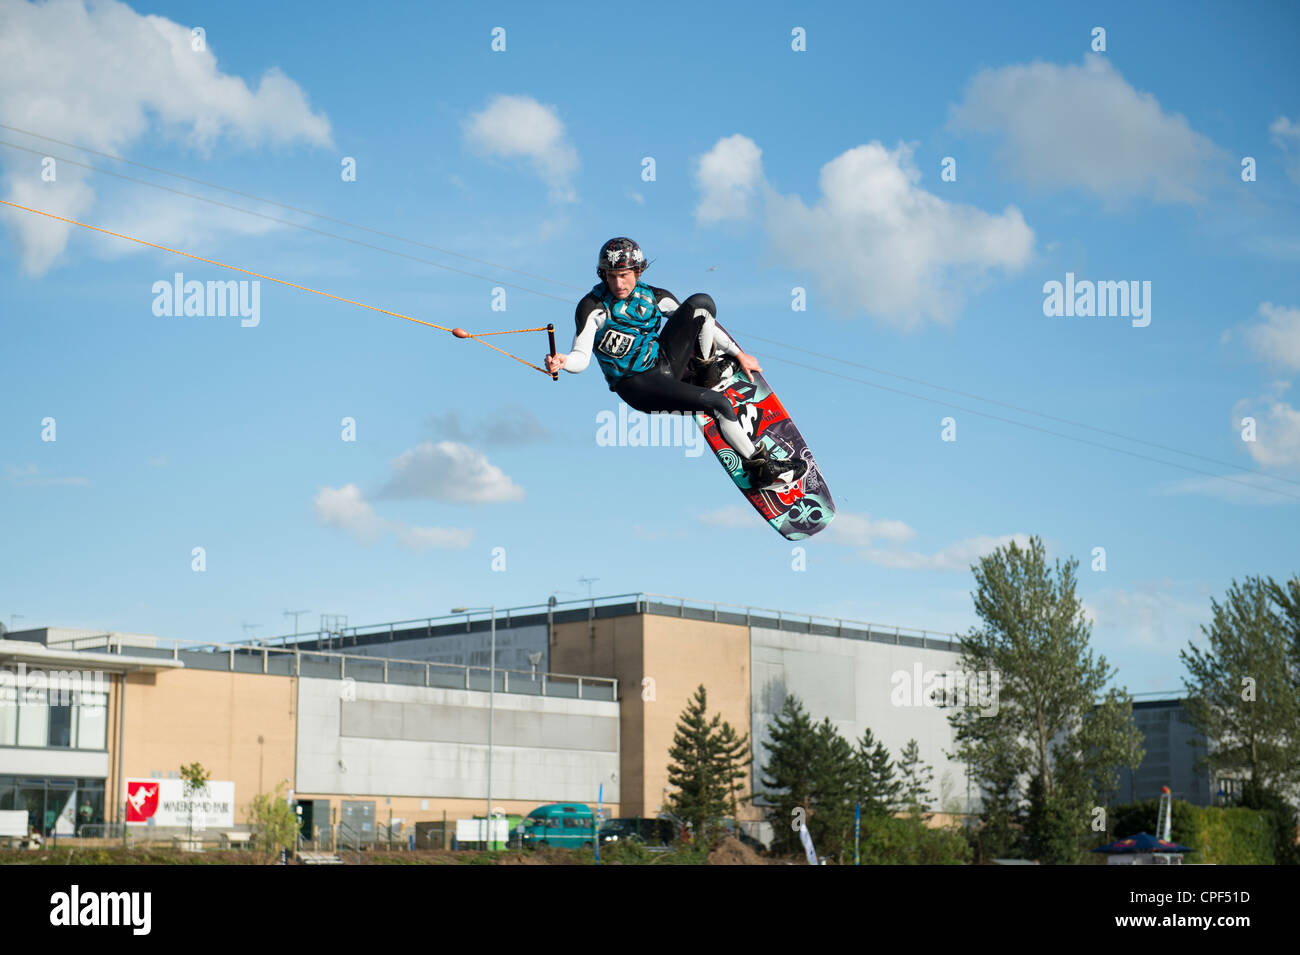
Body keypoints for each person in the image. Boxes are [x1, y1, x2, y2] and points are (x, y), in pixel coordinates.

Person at [546, 237, 807, 489]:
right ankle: (761, 469)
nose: (618, 283)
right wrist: (563, 361)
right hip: (639, 386)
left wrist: (738, 354)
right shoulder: (592, 307)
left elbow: (702, 320)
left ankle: (707, 373)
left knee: (701, 303)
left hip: (665, 363)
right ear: (603, 275)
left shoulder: (653, 296)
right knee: (719, 404)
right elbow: (581, 357)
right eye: (611, 276)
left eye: (623, 274)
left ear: (638, 271)